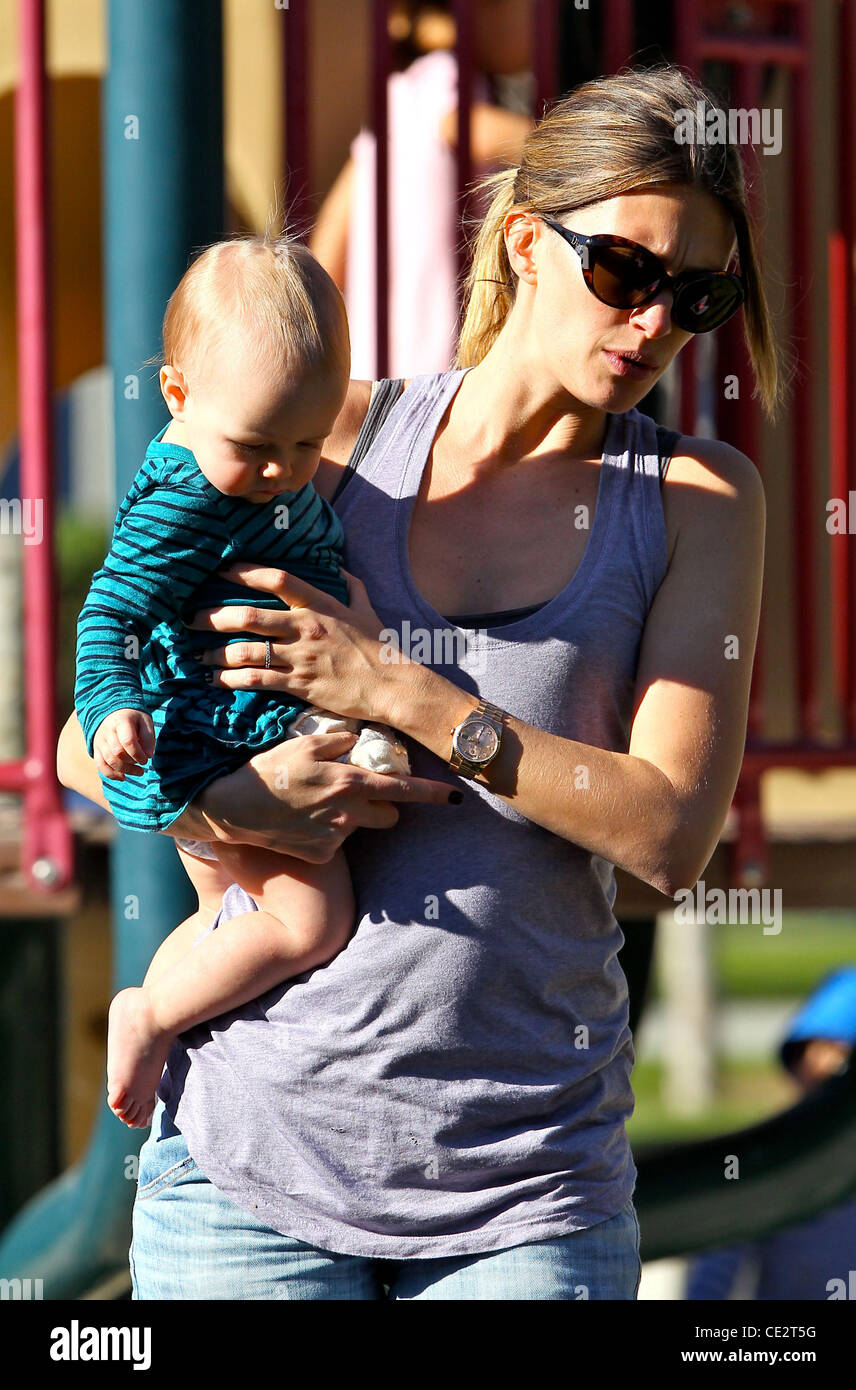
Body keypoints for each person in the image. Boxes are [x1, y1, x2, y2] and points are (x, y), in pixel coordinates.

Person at [58, 62, 781, 1300]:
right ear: (525, 242)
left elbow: (669, 836)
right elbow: (83, 745)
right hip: (250, 1175)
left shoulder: (696, 501)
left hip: (526, 1197)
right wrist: (233, 797)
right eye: (624, 270)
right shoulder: (318, 435)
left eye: (694, 293)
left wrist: (407, 697)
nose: (652, 320)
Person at [74, 237, 412, 1131]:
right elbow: (108, 614)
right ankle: (150, 1011)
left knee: (241, 908)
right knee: (306, 922)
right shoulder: (184, 501)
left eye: (308, 442)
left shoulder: (250, 464)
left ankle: (178, 1019)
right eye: (258, 445)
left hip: (250, 716)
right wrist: (113, 711)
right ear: (179, 397)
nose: (284, 470)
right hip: (209, 731)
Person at [310, 0, 534, 378]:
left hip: (373, 360)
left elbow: (330, 243)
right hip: (435, 357)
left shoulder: (397, 98)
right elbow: (466, 127)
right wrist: (574, 144)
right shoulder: (444, 72)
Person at [685, 967, 856, 1300]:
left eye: (842, 1059)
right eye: (812, 1053)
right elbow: (720, 1253)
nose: (823, 1065)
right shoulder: (770, 1153)